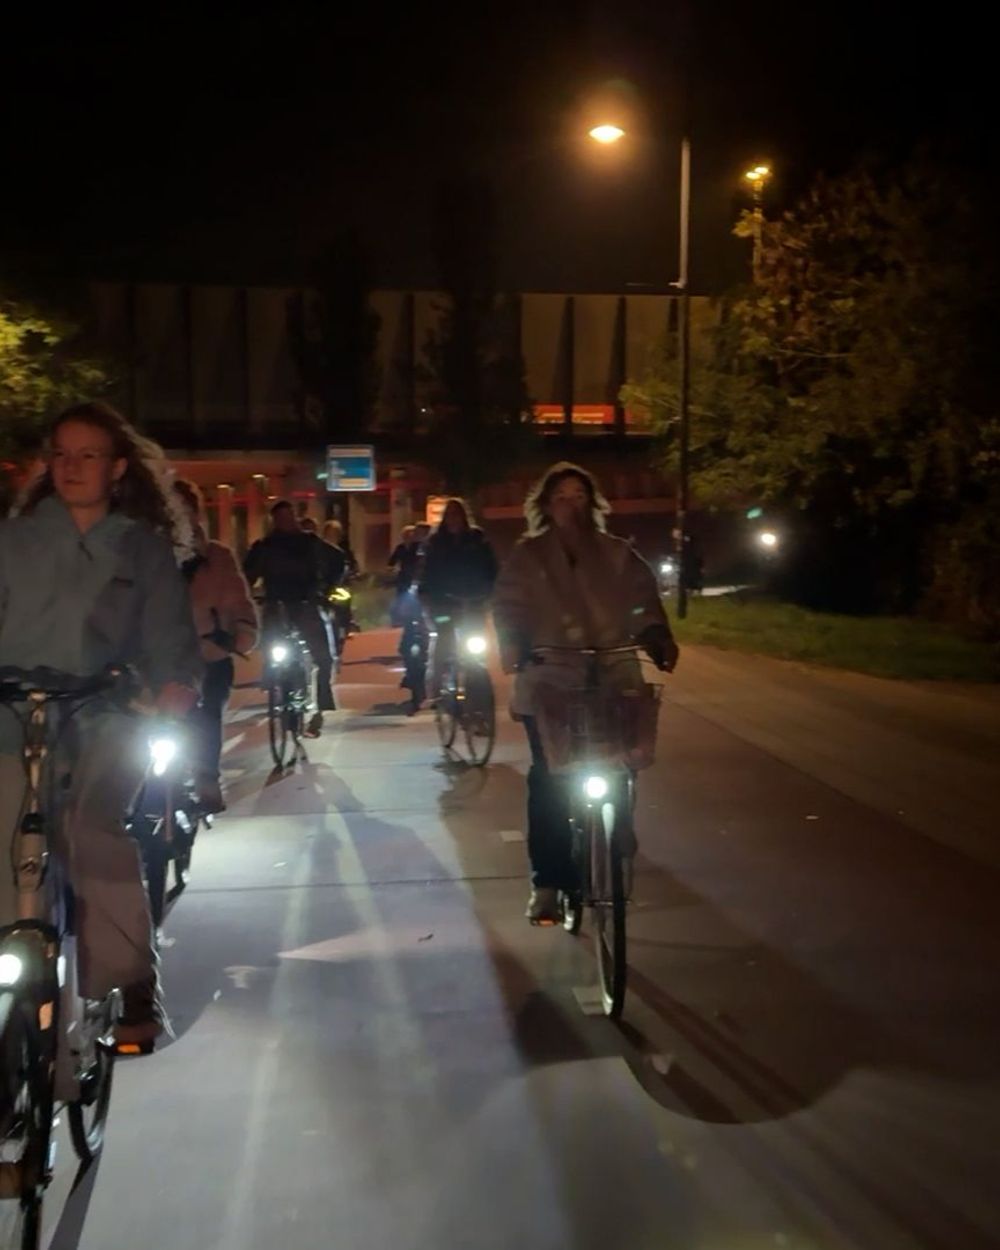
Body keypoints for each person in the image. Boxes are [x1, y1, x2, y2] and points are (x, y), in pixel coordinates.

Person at [0, 401, 202, 1046]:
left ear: (117, 468)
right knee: (6, 841)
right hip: (11, 716)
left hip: (104, 715)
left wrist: (174, 684)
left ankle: (123, 983)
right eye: (61, 454)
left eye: (88, 455)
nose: (72, 466)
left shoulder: (140, 550)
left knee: (91, 828)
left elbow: (169, 636)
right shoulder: (14, 540)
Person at [493, 462, 678, 925]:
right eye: (561, 497)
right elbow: (509, 603)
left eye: (579, 497)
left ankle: (620, 828)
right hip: (550, 677)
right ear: (545, 505)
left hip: (613, 672)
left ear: (592, 504)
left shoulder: (618, 554)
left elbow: (641, 597)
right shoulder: (528, 558)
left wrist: (654, 632)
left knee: (624, 760)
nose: (570, 506)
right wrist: (515, 640)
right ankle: (549, 883)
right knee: (549, 778)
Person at [173, 480, 258, 813]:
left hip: (209, 655)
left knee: (206, 716)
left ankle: (206, 777)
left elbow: (239, 601)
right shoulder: (148, 555)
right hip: (159, 659)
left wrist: (241, 632)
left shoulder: (217, 557)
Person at [244, 501, 341, 731]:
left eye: (289, 517)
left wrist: (326, 589)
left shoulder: (310, 543)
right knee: (271, 643)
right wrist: (246, 594)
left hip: (305, 603)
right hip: (277, 604)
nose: (285, 522)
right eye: (281, 518)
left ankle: (322, 702)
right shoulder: (265, 546)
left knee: (323, 656)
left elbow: (338, 561)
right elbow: (247, 574)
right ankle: (272, 676)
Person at [419, 498, 498, 694]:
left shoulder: (477, 539)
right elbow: (427, 572)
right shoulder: (436, 542)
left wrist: (491, 590)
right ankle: (437, 687)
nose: (454, 520)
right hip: (444, 603)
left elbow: (491, 567)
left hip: (474, 601)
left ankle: (478, 691)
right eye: (450, 515)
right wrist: (427, 596)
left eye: (457, 515)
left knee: (476, 647)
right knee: (445, 640)